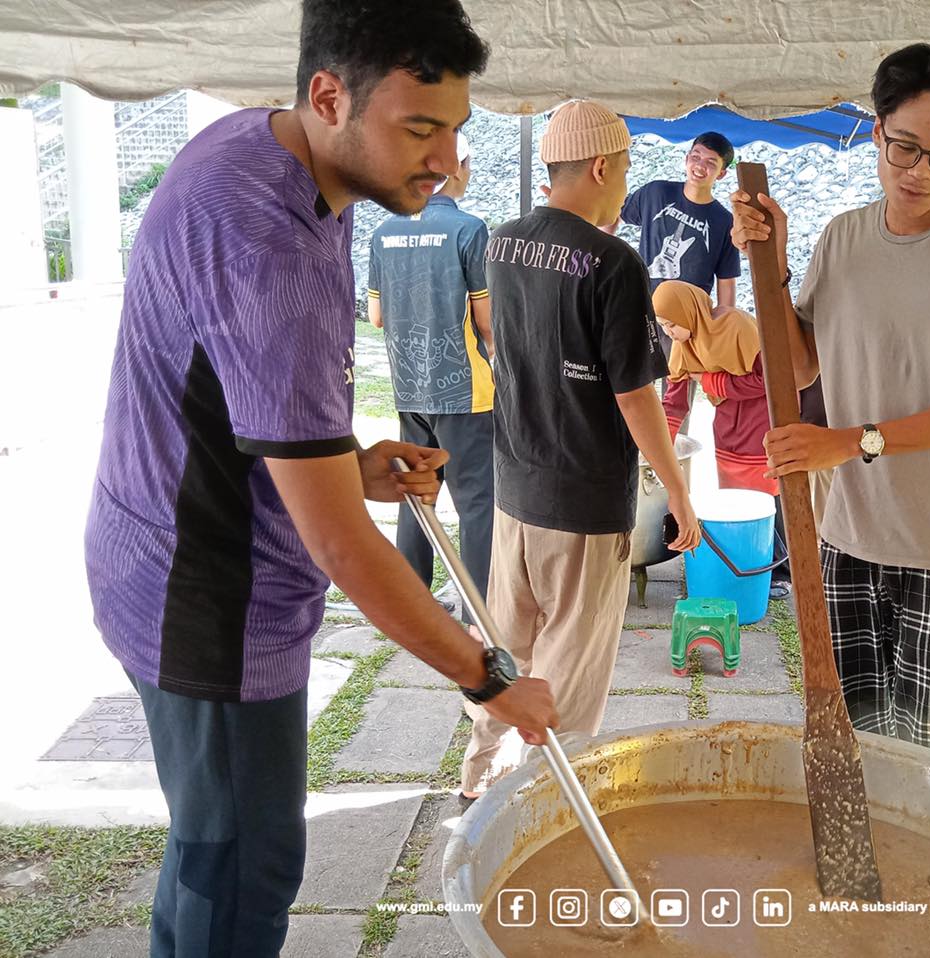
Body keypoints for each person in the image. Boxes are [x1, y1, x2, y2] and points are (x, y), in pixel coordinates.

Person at [82, 3, 556, 954]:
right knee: (238, 868)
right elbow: (341, 545)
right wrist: (491, 676)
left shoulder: (270, 152)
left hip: (160, 544)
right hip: (205, 595)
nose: (446, 159)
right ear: (330, 96)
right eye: (418, 129)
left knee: (215, 850)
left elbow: (235, 384)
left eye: (455, 129)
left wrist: (342, 462)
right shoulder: (270, 242)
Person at [730, 42, 930, 764]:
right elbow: (804, 363)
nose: (919, 172)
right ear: (876, 131)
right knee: (853, 750)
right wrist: (774, 265)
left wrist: (849, 441)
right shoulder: (845, 237)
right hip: (847, 537)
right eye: (904, 147)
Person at [458, 99, 702, 800]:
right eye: (623, 170)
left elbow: (504, 345)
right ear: (599, 167)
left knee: (506, 647)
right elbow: (635, 397)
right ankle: (550, 807)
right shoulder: (614, 262)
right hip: (585, 502)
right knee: (571, 665)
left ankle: (478, 778)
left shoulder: (502, 242)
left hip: (515, 488)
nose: (625, 186)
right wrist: (677, 491)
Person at [367, 132, 496, 610]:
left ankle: (411, 602)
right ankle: (480, 606)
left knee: (416, 492)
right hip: (464, 389)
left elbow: (376, 316)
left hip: (409, 385)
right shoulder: (469, 229)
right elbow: (487, 321)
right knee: (477, 501)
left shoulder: (384, 231)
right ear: (456, 167)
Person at [655, 280, 790, 596]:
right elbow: (674, 403)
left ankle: (780, 571)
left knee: (766, 495)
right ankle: (747, 563)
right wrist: (659, 449)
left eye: (672, 324)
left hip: (761, 419)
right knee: (736, 499)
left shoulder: (736, 327)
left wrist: (711, 381)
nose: (669, 333)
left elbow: (771, 379)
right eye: (663, 326)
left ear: (688, 312)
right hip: (728, 423)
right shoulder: (684, 346)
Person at [613, 131, 742, 320]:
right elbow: (614, 213)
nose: (700, 166)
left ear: (721, 174)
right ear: (686, 158)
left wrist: (723, 325)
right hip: (639, 308)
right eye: (696, 157)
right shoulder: (656, 192)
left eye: (711, 162)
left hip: (687, 322)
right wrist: (600, 259)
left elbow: (727, 281)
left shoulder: (725, 222)